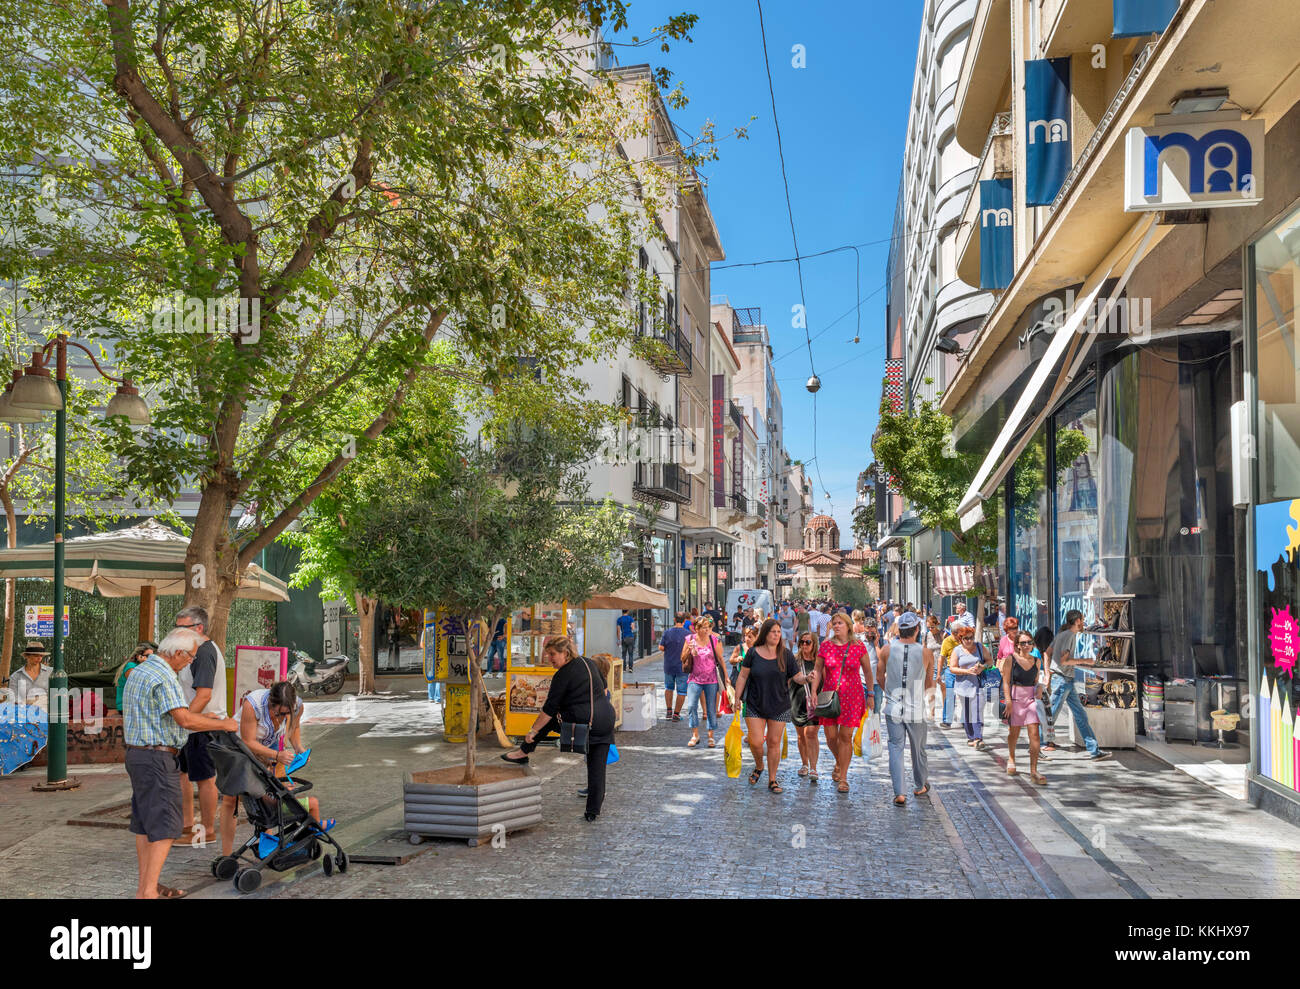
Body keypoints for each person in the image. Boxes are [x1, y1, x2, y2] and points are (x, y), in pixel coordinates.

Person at [123, 627, 238, 898]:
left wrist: (210, 721)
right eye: (189, 658)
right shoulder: (164, 676)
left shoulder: (140, 670)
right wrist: (222, 723)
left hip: (137, 754)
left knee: (145, 824)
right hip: (157, 756)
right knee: (167, 826)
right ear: (177, 652)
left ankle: (146, 886)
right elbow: (184, 719)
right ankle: (148, 892)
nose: (190, 663)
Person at [502, 637, 616, 821]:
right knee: (597, 767)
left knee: (550, 720)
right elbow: (603, 689)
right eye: (548, 654)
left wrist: (532, 732)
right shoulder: (589, 663)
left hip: (586, 721)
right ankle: (592, 812)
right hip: (606, 719)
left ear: (566, 652)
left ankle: (524, 750)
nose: (549, 658)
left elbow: (549, 709)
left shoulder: (563, 674)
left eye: (553, 654)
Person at [219, 679, 331, 856]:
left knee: (270, 797)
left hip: (267, 753)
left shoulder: (296, 707)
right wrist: (277, 755)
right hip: (238, 752)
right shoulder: (253, 704)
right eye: (276, 713)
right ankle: (226, 855)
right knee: (230, 802)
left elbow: (293, 727)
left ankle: (268, 849)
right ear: (271, 703)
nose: (279, 718)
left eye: (284, 714)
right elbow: (247, 742)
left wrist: (298, 748)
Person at [174, 606, 228, 847]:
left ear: (198, 628)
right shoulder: (193, 651)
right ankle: (188, 825)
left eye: (182, 628)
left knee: (205, 779)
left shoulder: (205, 652)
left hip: (202, 726)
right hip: (192, 725)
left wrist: (185, 719)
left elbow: (204, 695)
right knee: (182, 774)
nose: (177, 632)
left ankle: (207, 830)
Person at [732, 618, 799, 793]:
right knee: (755, 742)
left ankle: (772, 779)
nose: (777, 635)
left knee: (774, 742)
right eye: (773, 632)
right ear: (765, 634)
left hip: (779, 703)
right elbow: (743, 677)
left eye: (778, 632)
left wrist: (807, 679)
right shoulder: (753, 653)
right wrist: (737, 698)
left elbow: (796, 676)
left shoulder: (786, 654)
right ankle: (759, 765)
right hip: (755, 702)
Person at [876, 612, 934, 805]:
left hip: (893, 706)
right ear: (917, 629)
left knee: (895, 748)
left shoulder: (886, 649)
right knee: (918, 749)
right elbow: (928, 683)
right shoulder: (926, 652)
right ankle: (920, 785)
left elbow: (879, 677)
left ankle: (899, 792)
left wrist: (890, 692)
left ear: (899, 629)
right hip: (915, 707)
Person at [813, 611, 872, 794]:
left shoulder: (858, 646)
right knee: (831, 737)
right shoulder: (826, 646)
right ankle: (839, 761)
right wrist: (814, 691)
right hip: (830, 696)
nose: (836, 626)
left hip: (853, 696)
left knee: (845, 737)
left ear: (848, 626)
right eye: (834, 623)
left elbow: (868, 671)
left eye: (840, 623)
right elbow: (817, 669)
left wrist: (870, 694)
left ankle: (844, 777)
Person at [1048, 610, 1112, 760]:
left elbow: (1050, 652)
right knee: (1050, 715)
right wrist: (1085, 661)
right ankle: (1037, 746)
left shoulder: (1064, 634)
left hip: (1066, 680)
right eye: (1082, 620)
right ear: (1077, 621)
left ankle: (1094, 751)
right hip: (1062, 680)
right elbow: (1063, 661)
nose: (1083, 623)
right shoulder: (1069, 635)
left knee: (1080, 716)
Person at [1002, 630, 1047, 785]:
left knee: (1034, 734)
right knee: (1014, 733)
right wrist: (1008, 701)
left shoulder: (1036, 661)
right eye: (1023, 643)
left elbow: (1036, 681)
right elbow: (1006, 682)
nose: (1027, 645)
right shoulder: (1011, 659)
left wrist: (1040, 687)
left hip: (1030, 700)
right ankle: (1011, 758)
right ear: (1017, 645)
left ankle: (1033, 770)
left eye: (1029, 642)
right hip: (1015, 699)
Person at [682, 614, 726, 748]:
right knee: (691, 706)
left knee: (711, 708)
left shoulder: (714, 640)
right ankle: (695, 734)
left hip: (711, 679)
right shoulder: (689, 639)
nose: (707, 630)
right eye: (704, 628)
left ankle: (711, 736)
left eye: (708, 627)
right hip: (694, 679)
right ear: (696, 628)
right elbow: (682, 658)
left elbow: (720, 658)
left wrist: (726, 676)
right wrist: (689, 650)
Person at [949, 625, 986, 749]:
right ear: (961, 639)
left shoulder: (980, 647)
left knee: (976, 711)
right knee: (967, 711)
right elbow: (952, 668)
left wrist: (982, 667)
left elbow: (990, 660)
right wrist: (967, 671)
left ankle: (978, 738)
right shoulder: (957, 650)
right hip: (963, 685)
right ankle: (970, 736)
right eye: (966, 638)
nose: (969, 641)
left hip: (979, 684)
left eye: (971, 638)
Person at [791, 630, 822, 780]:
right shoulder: (794, 660)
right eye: (802, 642)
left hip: (815, 702)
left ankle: (814, 768)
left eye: (808, 642)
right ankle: (804, 764)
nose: (804, 645)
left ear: (814, 643)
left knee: (810, 733)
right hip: (796, 701)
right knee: (800, 735)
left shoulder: (819, 661)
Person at [660, 612, 689, 722]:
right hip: (682, 666)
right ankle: (676, 714)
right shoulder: (688, 634)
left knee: (669, 688)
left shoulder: (667, 632)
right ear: (684, 621)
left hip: (669, 665)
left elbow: (661, 647)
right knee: (681, 691)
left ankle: (668, 712)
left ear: (674, 620)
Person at [8, 640, 53, 707]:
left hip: (48, 710)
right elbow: (13, 697)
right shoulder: (16, 676)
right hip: (24, 711)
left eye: (41, 656)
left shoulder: (51, 672)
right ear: (27, 656)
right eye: (36, 655)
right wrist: (27, 702)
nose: (39, 658)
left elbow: (57, 693)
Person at [115, 641, 156, 713]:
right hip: (126, 706)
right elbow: (140, 684)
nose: (151, 659)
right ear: (138, 656)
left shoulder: (142, 667)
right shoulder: (130, 667)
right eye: (148, 656)